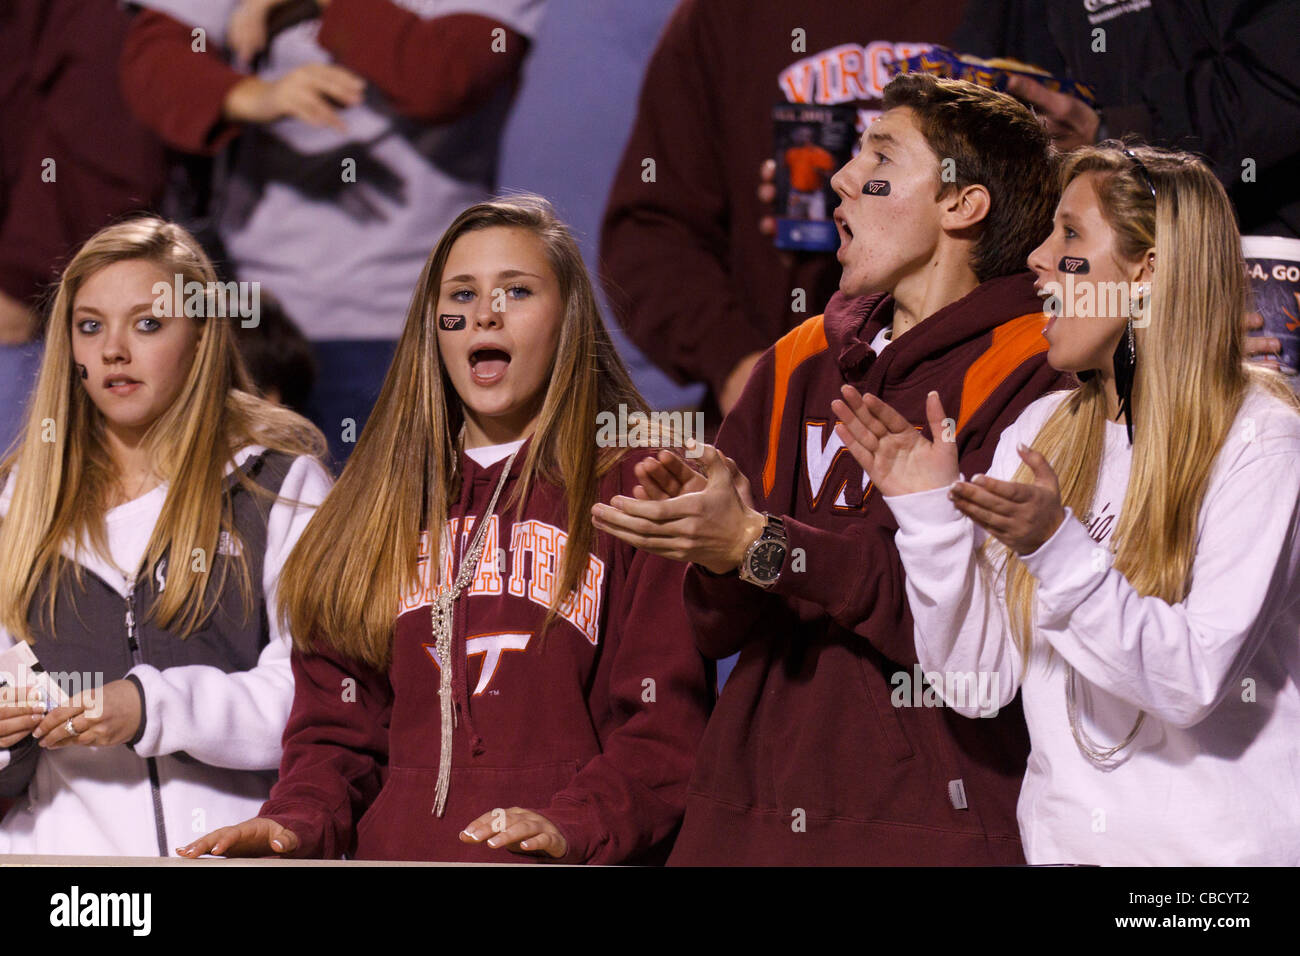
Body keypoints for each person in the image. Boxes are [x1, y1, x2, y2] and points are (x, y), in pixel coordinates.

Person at [592, 75, 1073, 865]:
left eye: (879, 158)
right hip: (742, 823)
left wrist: (763, 543)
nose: (842, 178)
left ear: (962, 204)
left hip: (929, 831)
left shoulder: (1042, 374)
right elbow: (716, 631)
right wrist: (713, 548)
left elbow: (962, 638)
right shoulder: (796, 360)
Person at [179, 194, 713, 864]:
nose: (485, 312)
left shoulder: (637, 486)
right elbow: (337, 734)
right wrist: (294, 822)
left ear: (569, 319)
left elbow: (665, 732)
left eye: (517, 291)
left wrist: (574, 823)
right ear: (435, 324)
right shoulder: (372, 506)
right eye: (461, 294)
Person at [836, 144, 1300, 864]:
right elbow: (974, 682)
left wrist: (1056, 546)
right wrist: (928, 513)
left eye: (1071, 235)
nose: (1038, 259)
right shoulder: (1044, 429)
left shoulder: (1262, 438)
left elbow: (1191, 682)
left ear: (1146, 272)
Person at [0, 217, 332, 856]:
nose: (113, 350)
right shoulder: (20, 504)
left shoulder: (278, 484)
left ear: (203, 335)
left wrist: (153, 706)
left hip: (234, 851)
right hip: (66, 877)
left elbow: (317, 696)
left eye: (148, 324)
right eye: (90, 326)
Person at [119, 0, 547, 467]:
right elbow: (154, 62)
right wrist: (247, 95)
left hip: (404, 316)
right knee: (252, 526)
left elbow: (443, 75)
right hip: (253, 316)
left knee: (396, 529)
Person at [600, 0, 971, 425]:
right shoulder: (723, 16)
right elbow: (649, 232)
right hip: (781, 417)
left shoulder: (1020, 12)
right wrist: (736, 362)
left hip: (980, 398)